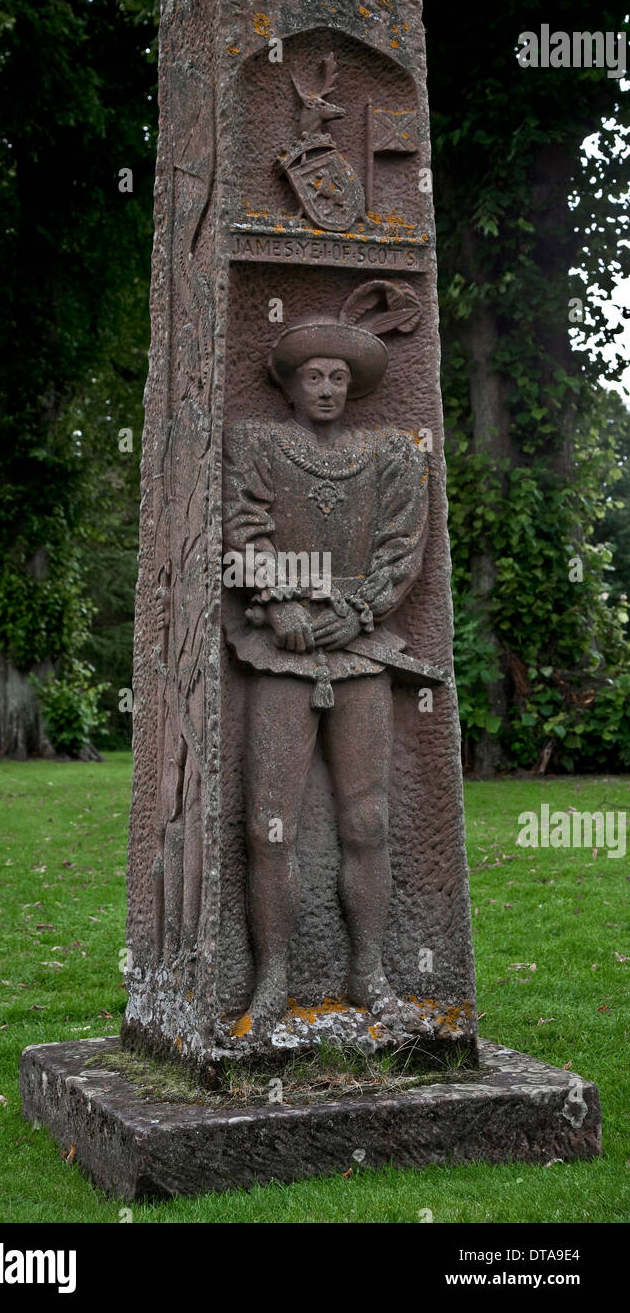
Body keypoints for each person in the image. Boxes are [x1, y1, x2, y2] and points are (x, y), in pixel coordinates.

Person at [222, 318, 428, 1030]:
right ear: (289, 382)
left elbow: (402, 543)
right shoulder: (255, 443)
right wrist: (279, 604)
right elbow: (243, 528)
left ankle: (367, 970)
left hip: (361, 652)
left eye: (339, 377)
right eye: (313, 375)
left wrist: (362, 611)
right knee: (267, 827)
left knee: (366, 821)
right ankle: (271, 977)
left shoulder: (392, 454)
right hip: (278, 654)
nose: (327, 388)